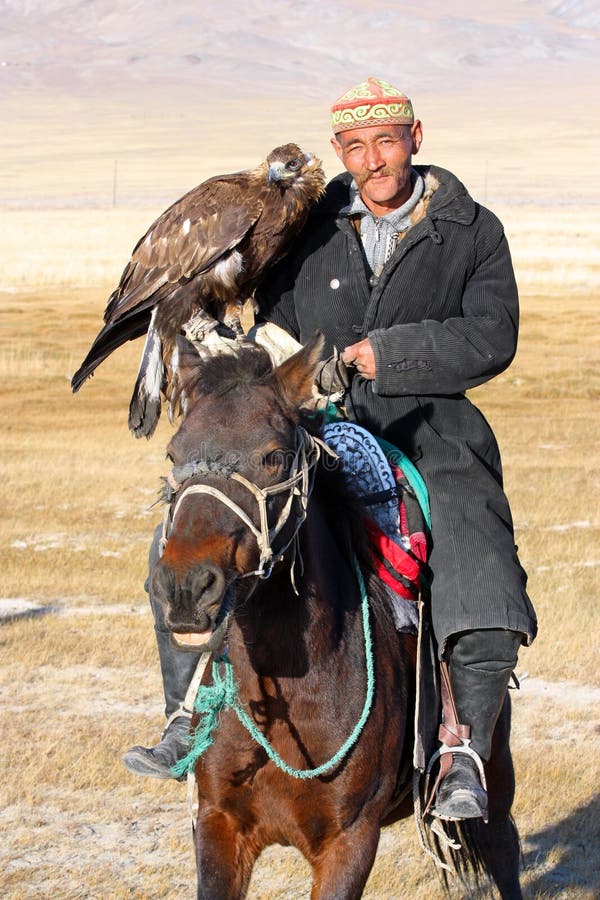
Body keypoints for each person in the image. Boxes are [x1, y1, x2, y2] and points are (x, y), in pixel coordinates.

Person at [124, 77, 537, 822]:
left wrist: (386, 354)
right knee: (198, 525)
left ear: (415, 137)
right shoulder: (308, 226)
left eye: (386, 142)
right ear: (338, 151)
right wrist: (250, 363)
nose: (373, 160)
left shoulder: (471, 229)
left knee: (478, 549)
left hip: (429, 427)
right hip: (311, 421)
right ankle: (190, 713)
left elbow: (492, 335)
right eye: (355, 146)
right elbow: (277, 319)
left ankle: (462, 750)